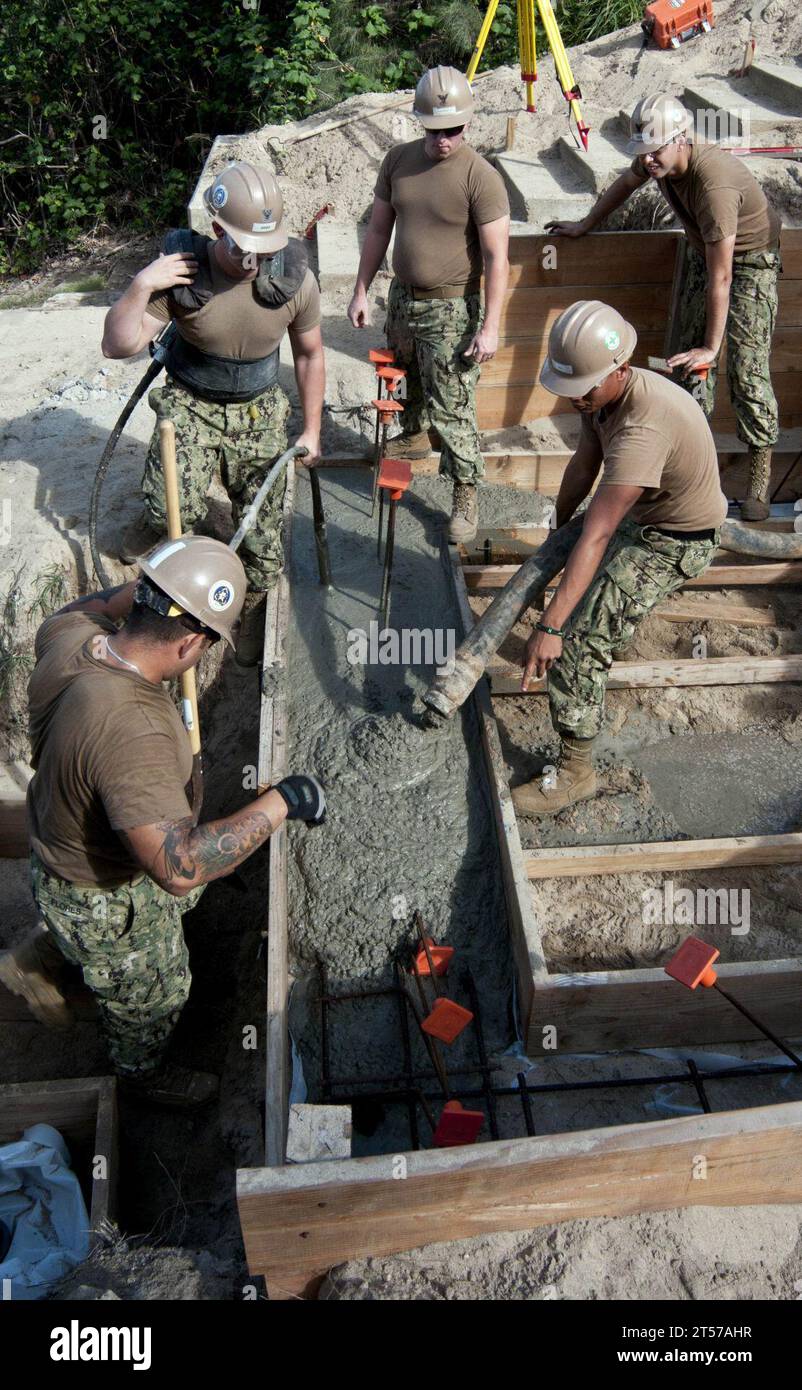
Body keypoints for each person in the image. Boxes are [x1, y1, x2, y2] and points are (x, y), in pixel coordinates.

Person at [2, 537, 325, 1106]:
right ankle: (141, 1073)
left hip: (62, 851)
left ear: (144, 598)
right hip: (103, 895)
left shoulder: (69, 635)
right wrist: (285, 801)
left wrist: (169, 580)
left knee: (152, 919)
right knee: (154, 995)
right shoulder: (135, 731)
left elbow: (100, 605)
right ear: (193, 644)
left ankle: (49, 952)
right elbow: (181, 866)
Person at [102, 160, 325, 663]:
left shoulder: (293, 279)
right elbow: (117, 346)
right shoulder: (182, 273)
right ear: (217, 229)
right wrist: (141, 285)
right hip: (191, 401)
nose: (255, 262)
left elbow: (311, 355)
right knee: (169, 509)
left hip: (260, 410)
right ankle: (165, 534)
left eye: (265, 250)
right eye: (245, 248)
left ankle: (246, 609)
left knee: (265, 549)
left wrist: (312, 428)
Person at [511, 300, 727, 817]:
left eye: (584, 389)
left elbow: (601, 531)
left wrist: (553, 625)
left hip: (675, 538)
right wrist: (556, 534)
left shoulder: (642, 429)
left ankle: (575, 772)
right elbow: (585, 465)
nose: (576, 399)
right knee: (580, 583)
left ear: (621, 369)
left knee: (579, 642)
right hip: (644, 514)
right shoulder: (599, 398)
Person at [546, 94, 782, 521]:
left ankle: (759, 478)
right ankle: (692, 461)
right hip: (703, 253)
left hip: (749, 264)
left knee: (747, 370)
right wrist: (585, 225)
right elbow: (623, 185)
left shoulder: (715, 186)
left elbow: (723, 277)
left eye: (655, 152)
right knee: (682, 361)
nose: (648, 161)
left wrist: (712, 346)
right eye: (643, 153)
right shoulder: (658, 158)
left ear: (682, 139)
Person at [348, 65, 510, 543]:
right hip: (403, 300)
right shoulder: (398, 161)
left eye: (453, 130)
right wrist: (361, 288)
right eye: (435, 130)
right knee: (407, 377)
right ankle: (414, 434)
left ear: (468, 123)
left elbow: (499, 258)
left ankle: (465, 491)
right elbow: (379, 228)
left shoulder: (481, 177)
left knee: (453, 406)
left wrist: (491, 326)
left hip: (453, 308)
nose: (444, 139)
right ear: (421, 123)